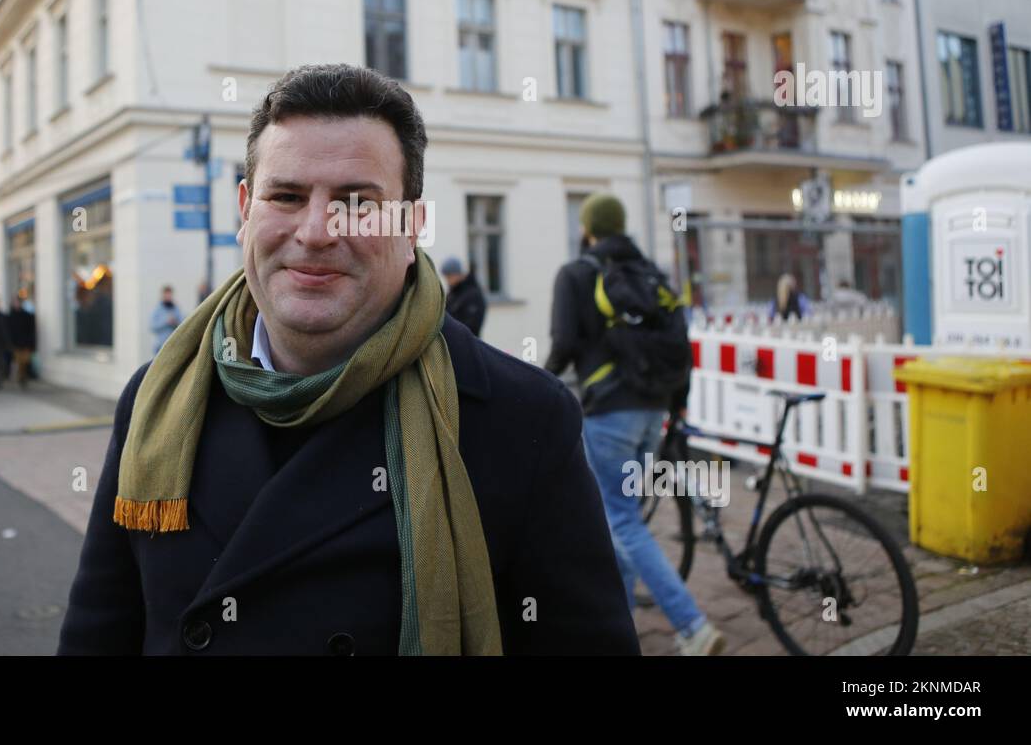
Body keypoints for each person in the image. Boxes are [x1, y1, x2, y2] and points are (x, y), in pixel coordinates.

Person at [59, 63, 637, 656]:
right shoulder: (157, 399)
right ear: (245, 211)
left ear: (411, 226)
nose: (314, 232)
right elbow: (97, 631)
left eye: (357, 203)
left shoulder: (523, 420)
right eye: (285, 196)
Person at [544, 194, 723, 655]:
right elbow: (682, 343)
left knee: (621, 521)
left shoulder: (577, 274)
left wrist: (538, 387)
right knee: (616, 517)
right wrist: (676, 409)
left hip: (608, 414)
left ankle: (692, 625)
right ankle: (617, 627)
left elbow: (564, 343)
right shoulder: (651, 274)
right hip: (652, 412)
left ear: (588, 230)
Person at [439, 257, 487, 337]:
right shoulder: (453, 293)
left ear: (458, 274)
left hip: (468, 344)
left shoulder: (473, 295)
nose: (447, 280)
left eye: (449, 276)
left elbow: (471, 327)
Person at [6, 293, 37, 389]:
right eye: (15, 302)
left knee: (24, 362)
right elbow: (8, 330)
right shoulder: (10, 316)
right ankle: (19, 378)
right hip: (15, 343)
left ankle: (23, 378)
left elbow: (31, 330)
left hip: (25, 343)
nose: (16, 304)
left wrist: (31, 343)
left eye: (18, 302)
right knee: (18, 361)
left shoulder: (27, 316)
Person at [149, 285, 185, 354]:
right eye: (166, 295)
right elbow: (152, 326)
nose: (168, 297)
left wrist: (175, 322)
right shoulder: (157, 310)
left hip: (173, 345)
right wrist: (166, 321)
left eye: (170, 295)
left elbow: (183, 324)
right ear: (163, 295)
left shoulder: (176, 309)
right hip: (160, 347)